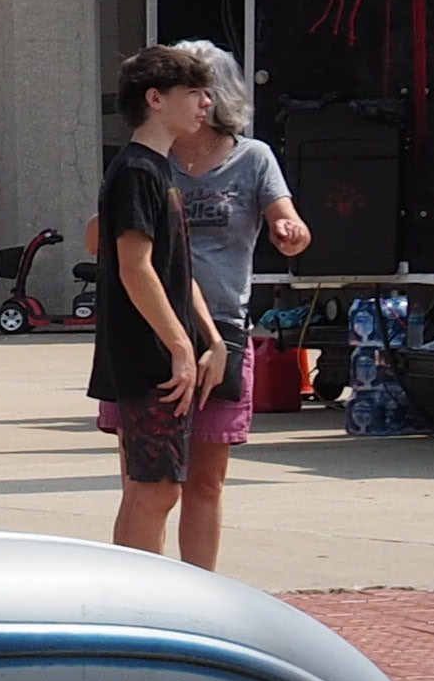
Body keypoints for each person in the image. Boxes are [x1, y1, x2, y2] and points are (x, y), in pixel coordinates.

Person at [157, 55, 305, 566]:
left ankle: (199, 590)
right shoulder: (151, 159)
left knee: (205, 480)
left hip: (221, 328)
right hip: (155, 326)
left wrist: (290, 232)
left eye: (199, 89)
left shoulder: (253, 158)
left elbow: (288, 220)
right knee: (152, 482)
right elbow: (106, 233)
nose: (195, 100)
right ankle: (146, 598)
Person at [96, 46, 234, 566]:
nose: (206, 103)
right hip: (146, 356)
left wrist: (211, 339)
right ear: (155, 99)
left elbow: (179, 269)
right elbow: (136, 266)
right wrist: (179, 345)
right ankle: (133, 606)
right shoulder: (136, 170)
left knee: (157, 487)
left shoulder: (158, 169)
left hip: (167, 353)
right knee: (152, 489)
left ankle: (144, 601)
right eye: (194, 93)